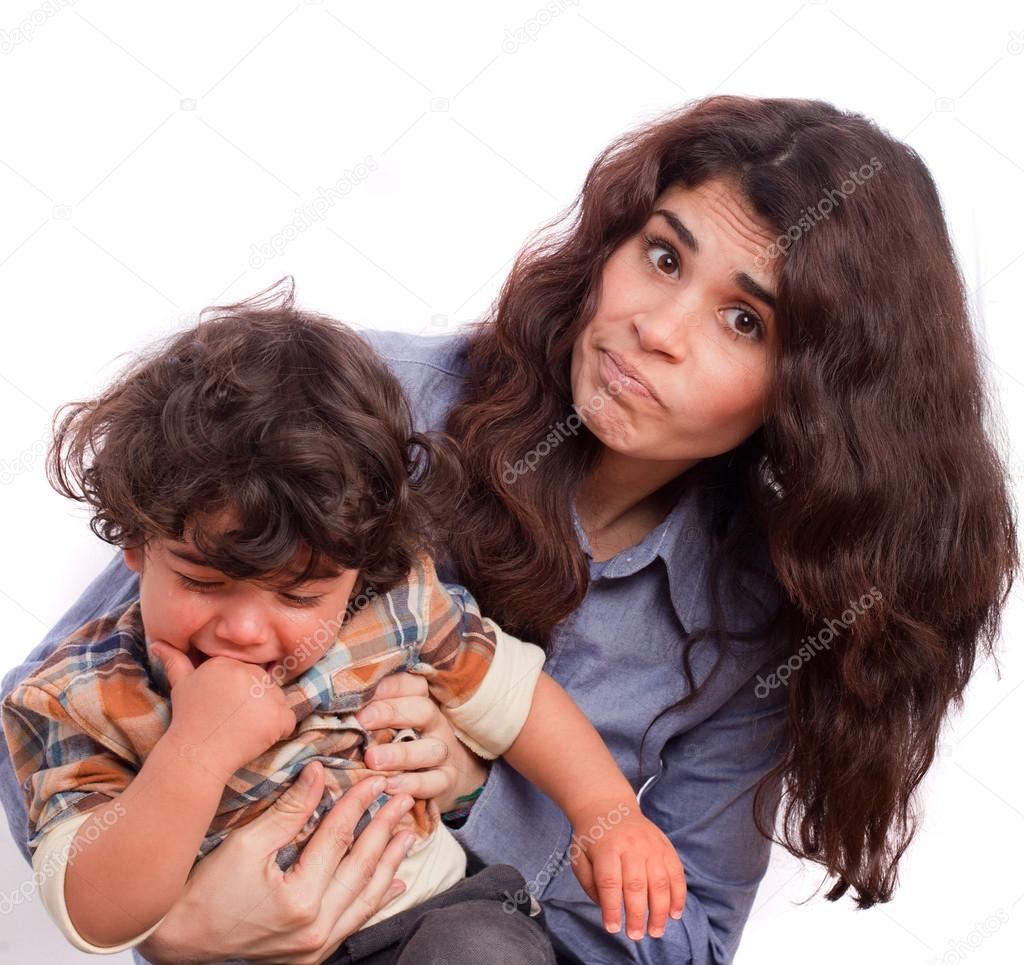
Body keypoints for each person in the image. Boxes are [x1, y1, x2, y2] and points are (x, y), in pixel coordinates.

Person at [2, 94, 1018, 965]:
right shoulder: (364, 406)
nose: (655, 328)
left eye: (743, 320)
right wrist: (181, 922)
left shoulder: (762, 615)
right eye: (661, 256)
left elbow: (688, 930)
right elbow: (43, 719)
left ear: (815, 398)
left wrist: (487, 802)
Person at [1, 298, 686, 960]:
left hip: (431, 922)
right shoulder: (74, 698)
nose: (242, 628)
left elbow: (519, 700)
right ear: (135, 544)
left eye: (299, 592)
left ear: (360, 570)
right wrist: (193, 754)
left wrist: (609, 809)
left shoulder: (395, 607)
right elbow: (94, 913)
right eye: (202, 580)